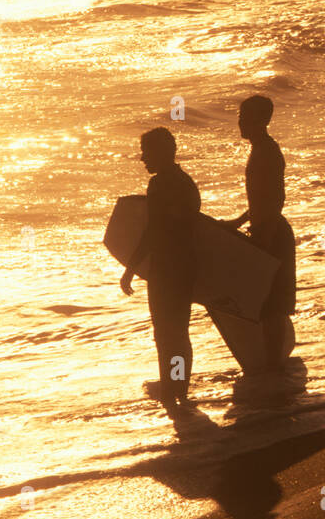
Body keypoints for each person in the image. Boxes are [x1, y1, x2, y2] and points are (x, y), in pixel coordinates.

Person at [120, 127, 201, 406]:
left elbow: (153, 232)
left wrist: (130, 268)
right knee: (179, 331)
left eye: (146, 151)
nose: (142, 158)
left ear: (162, 152)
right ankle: (178, 386)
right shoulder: (186, 182)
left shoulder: (159, 185)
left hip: (166, 270)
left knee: (165, 333)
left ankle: (170, 387)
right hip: (186, 268)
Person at [220, 96, 297, 374]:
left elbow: (276, 198)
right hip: (267, 230)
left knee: (272, 306)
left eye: (244, 116)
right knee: (265, 304)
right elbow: (259, 202)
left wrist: (265, 238)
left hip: (273, 234)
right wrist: (238, 222)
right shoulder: (260, 149)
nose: (239, 121)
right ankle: (272, 364)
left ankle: (275, 368)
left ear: (259, 120)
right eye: (240, 115)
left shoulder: (267, 151)